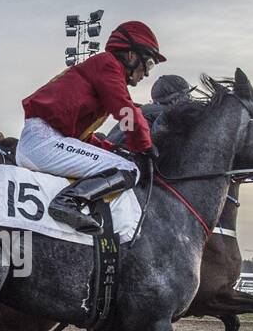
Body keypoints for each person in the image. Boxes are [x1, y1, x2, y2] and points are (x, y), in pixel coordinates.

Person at [16, 21, 165, 233]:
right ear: (131, 55)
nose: (147, 74)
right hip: (44, 141)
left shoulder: (102, 71)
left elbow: (81, 138)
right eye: (148, 64)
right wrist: (145, 146)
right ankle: (67, 202)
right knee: (128, 168)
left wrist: (111, 148)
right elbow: (125, 110)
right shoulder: (108, 64)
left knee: (120, 161)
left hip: (45, 140)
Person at [104, 73, 195, 147]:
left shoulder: (145, 110)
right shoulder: (163, 113)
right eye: (186, 95)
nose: (189, 99)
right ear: (175, 98)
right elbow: (158, 139)